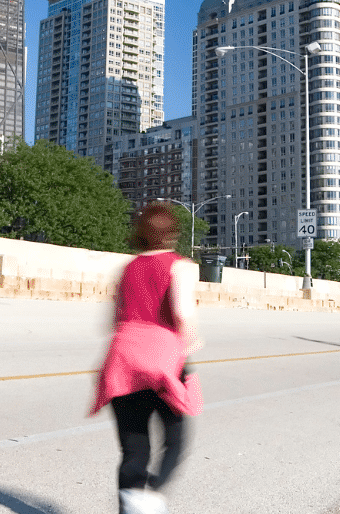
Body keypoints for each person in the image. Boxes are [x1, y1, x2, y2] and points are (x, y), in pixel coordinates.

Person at [92, 203, 203, 514]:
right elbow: (183, 313)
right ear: (173, 235)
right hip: (161, 359)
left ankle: (131, 503)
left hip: (123, 358)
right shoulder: (180, 265)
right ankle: (151, 495)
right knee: (175, 439)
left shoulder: (126, 268)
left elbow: (113, 320)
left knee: (133, 450)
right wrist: (191, 341)